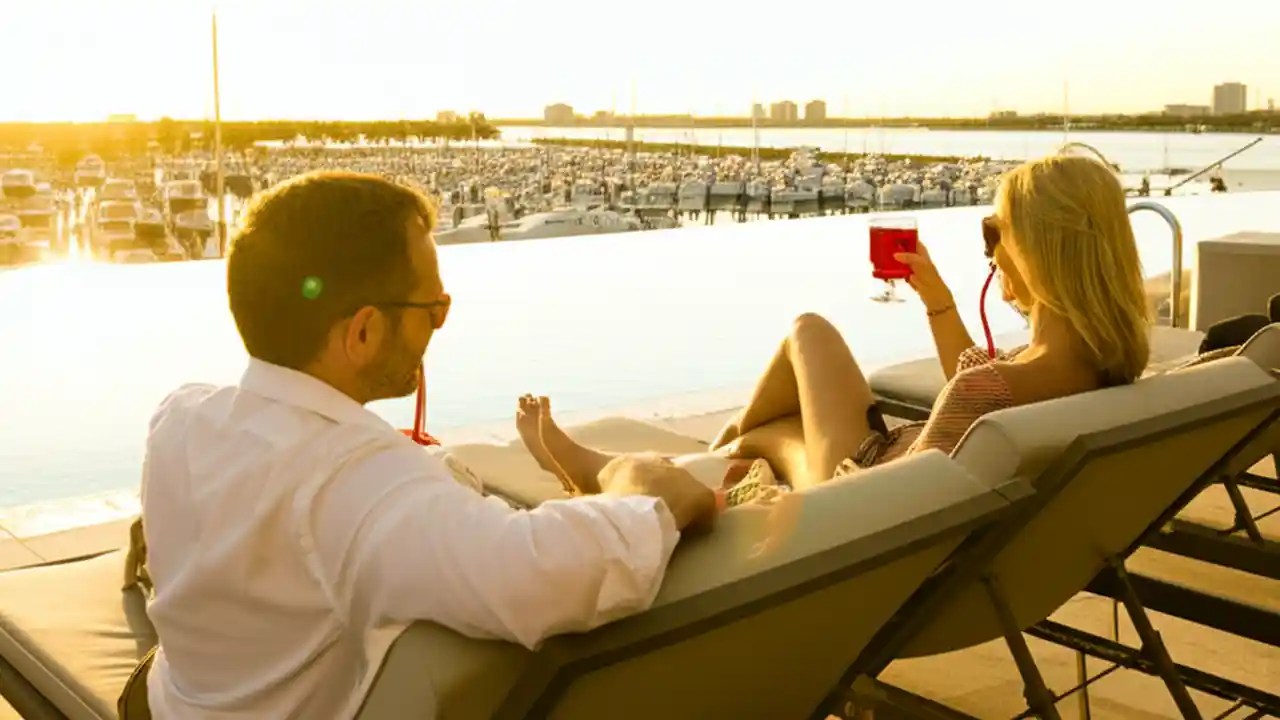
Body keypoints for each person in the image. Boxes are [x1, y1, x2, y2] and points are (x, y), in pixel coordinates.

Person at [137, 172, 716, 719]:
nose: (439, 323)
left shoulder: (181, 418)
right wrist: (640, 488)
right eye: (432, 309)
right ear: (362, 332)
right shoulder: (359, 485)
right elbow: (545, 577)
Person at [518, 155, 1152, 502]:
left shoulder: (990, 391)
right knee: (777, 407)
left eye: (997, 233)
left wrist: (779, 452)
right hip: (903, 475)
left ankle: (628, 469)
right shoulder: (1104, 365)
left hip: (855, 492)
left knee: (805, 336)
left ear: (1041, 251)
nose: (990, 252)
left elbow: (872, 511)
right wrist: (938, 300)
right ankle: (712, 454)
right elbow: (984, 390)